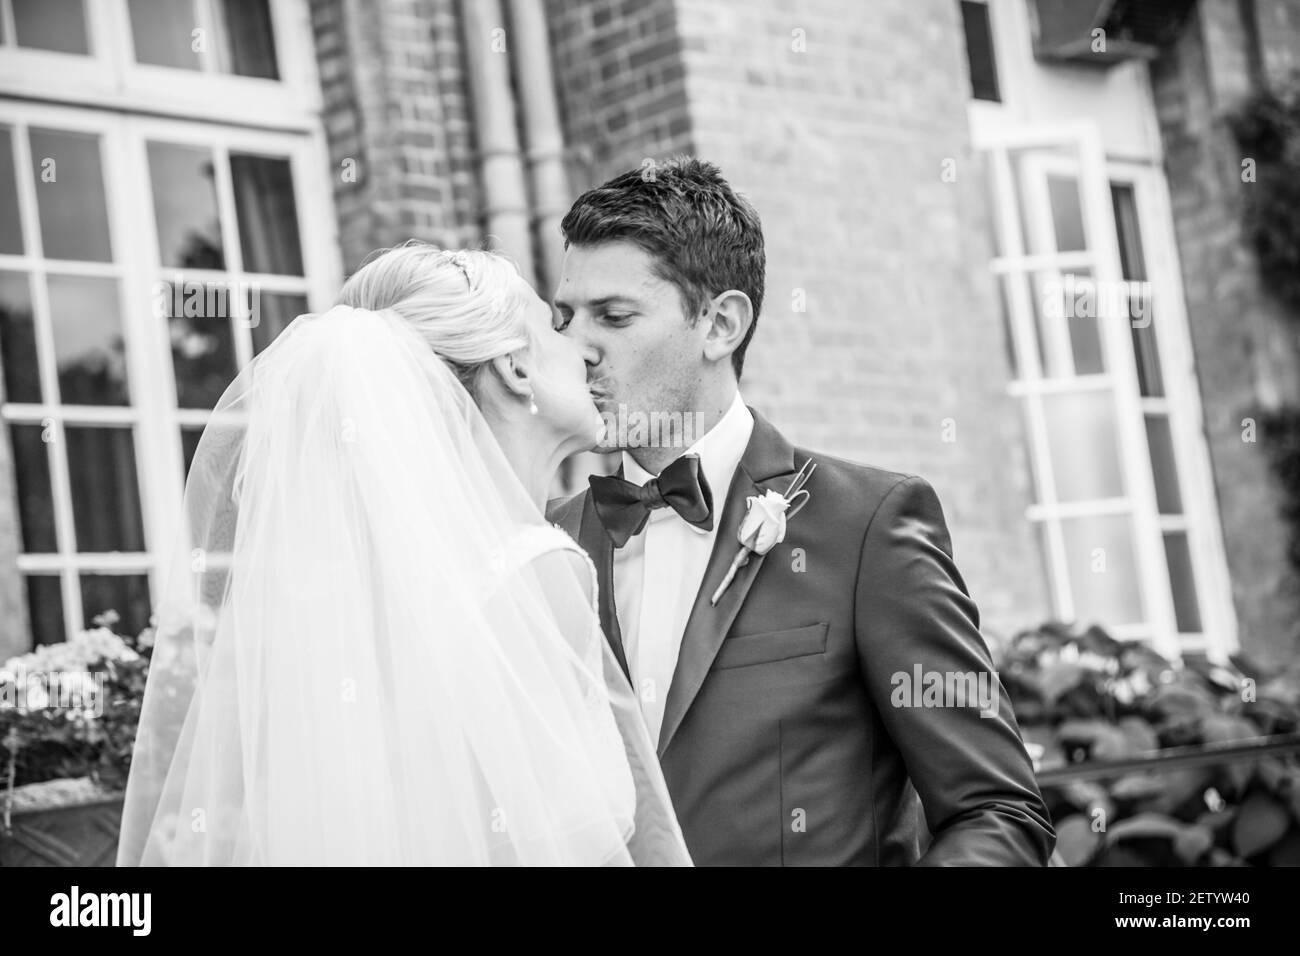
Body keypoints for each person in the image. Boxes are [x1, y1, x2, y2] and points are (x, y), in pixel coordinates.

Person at [548, 157, 1056, 865]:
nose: (575, 349)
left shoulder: (869, 526)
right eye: (564, 319)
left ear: (720, 324)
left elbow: (997, 811)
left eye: (614, 317)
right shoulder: (547, 548)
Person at [117, 244, 691, 866]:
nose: (582, 347)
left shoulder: (367, 603)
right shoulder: (532, 569)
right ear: (517, 369)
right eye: (554, 326)